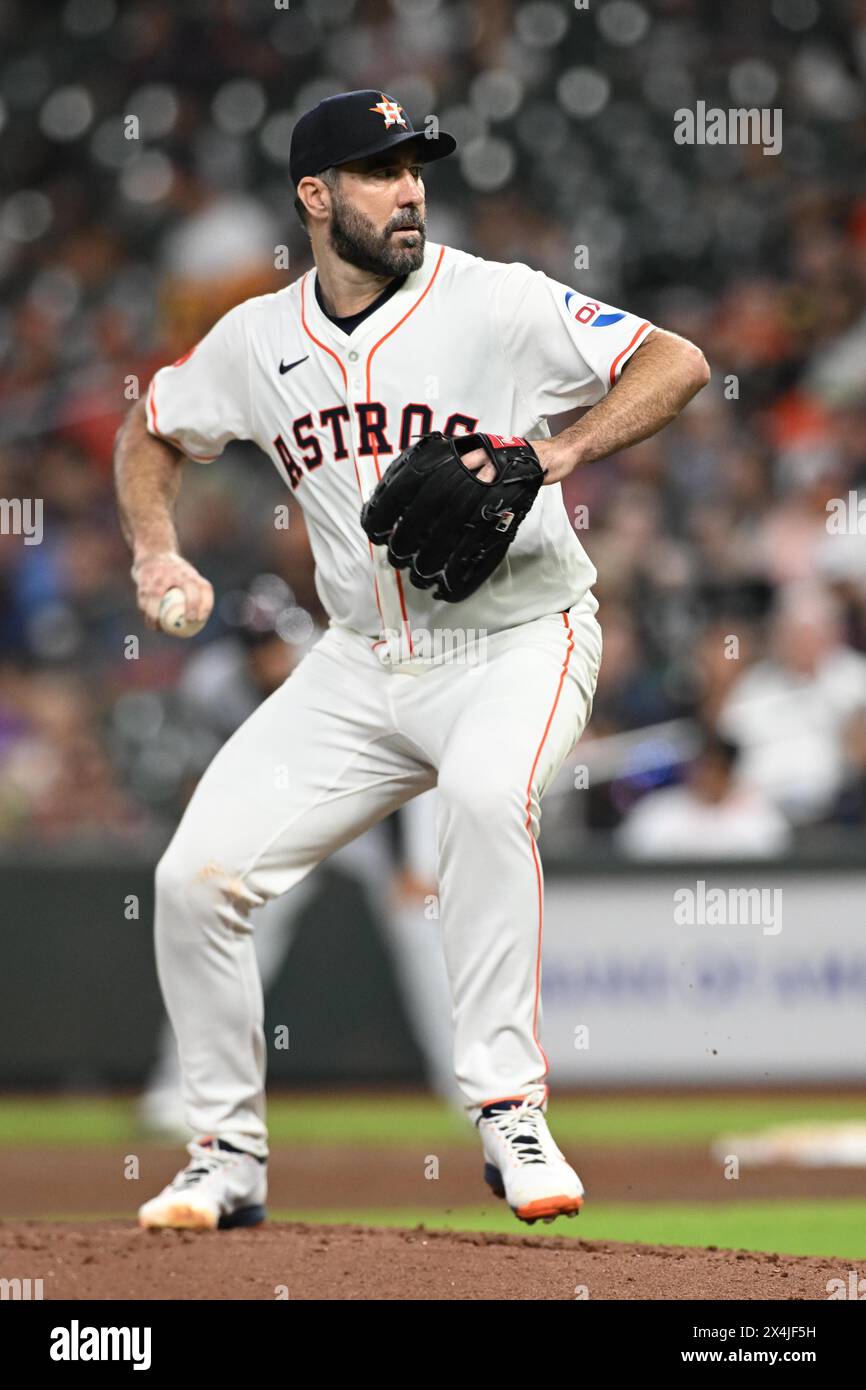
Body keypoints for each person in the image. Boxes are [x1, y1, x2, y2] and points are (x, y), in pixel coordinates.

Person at [113, 89, 709, 1230]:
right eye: (381, 170)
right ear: (314, 195)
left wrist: (554, 451)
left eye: (415, 166)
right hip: (359, 661)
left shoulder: (493, 300)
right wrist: (155, 552)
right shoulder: (255, 340)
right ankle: (226, 1153)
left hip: (518, 637)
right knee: (195, 879)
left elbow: (674, 361)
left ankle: (506, 1109)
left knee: (485, 799)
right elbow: (154, 425)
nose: (408, 190)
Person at [617, 731, 791, 860]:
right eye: (701, 766)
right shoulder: (658, 810)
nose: (706, 775)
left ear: (729, 771)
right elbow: (632, 852)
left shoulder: (761, 815)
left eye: (715, 768)